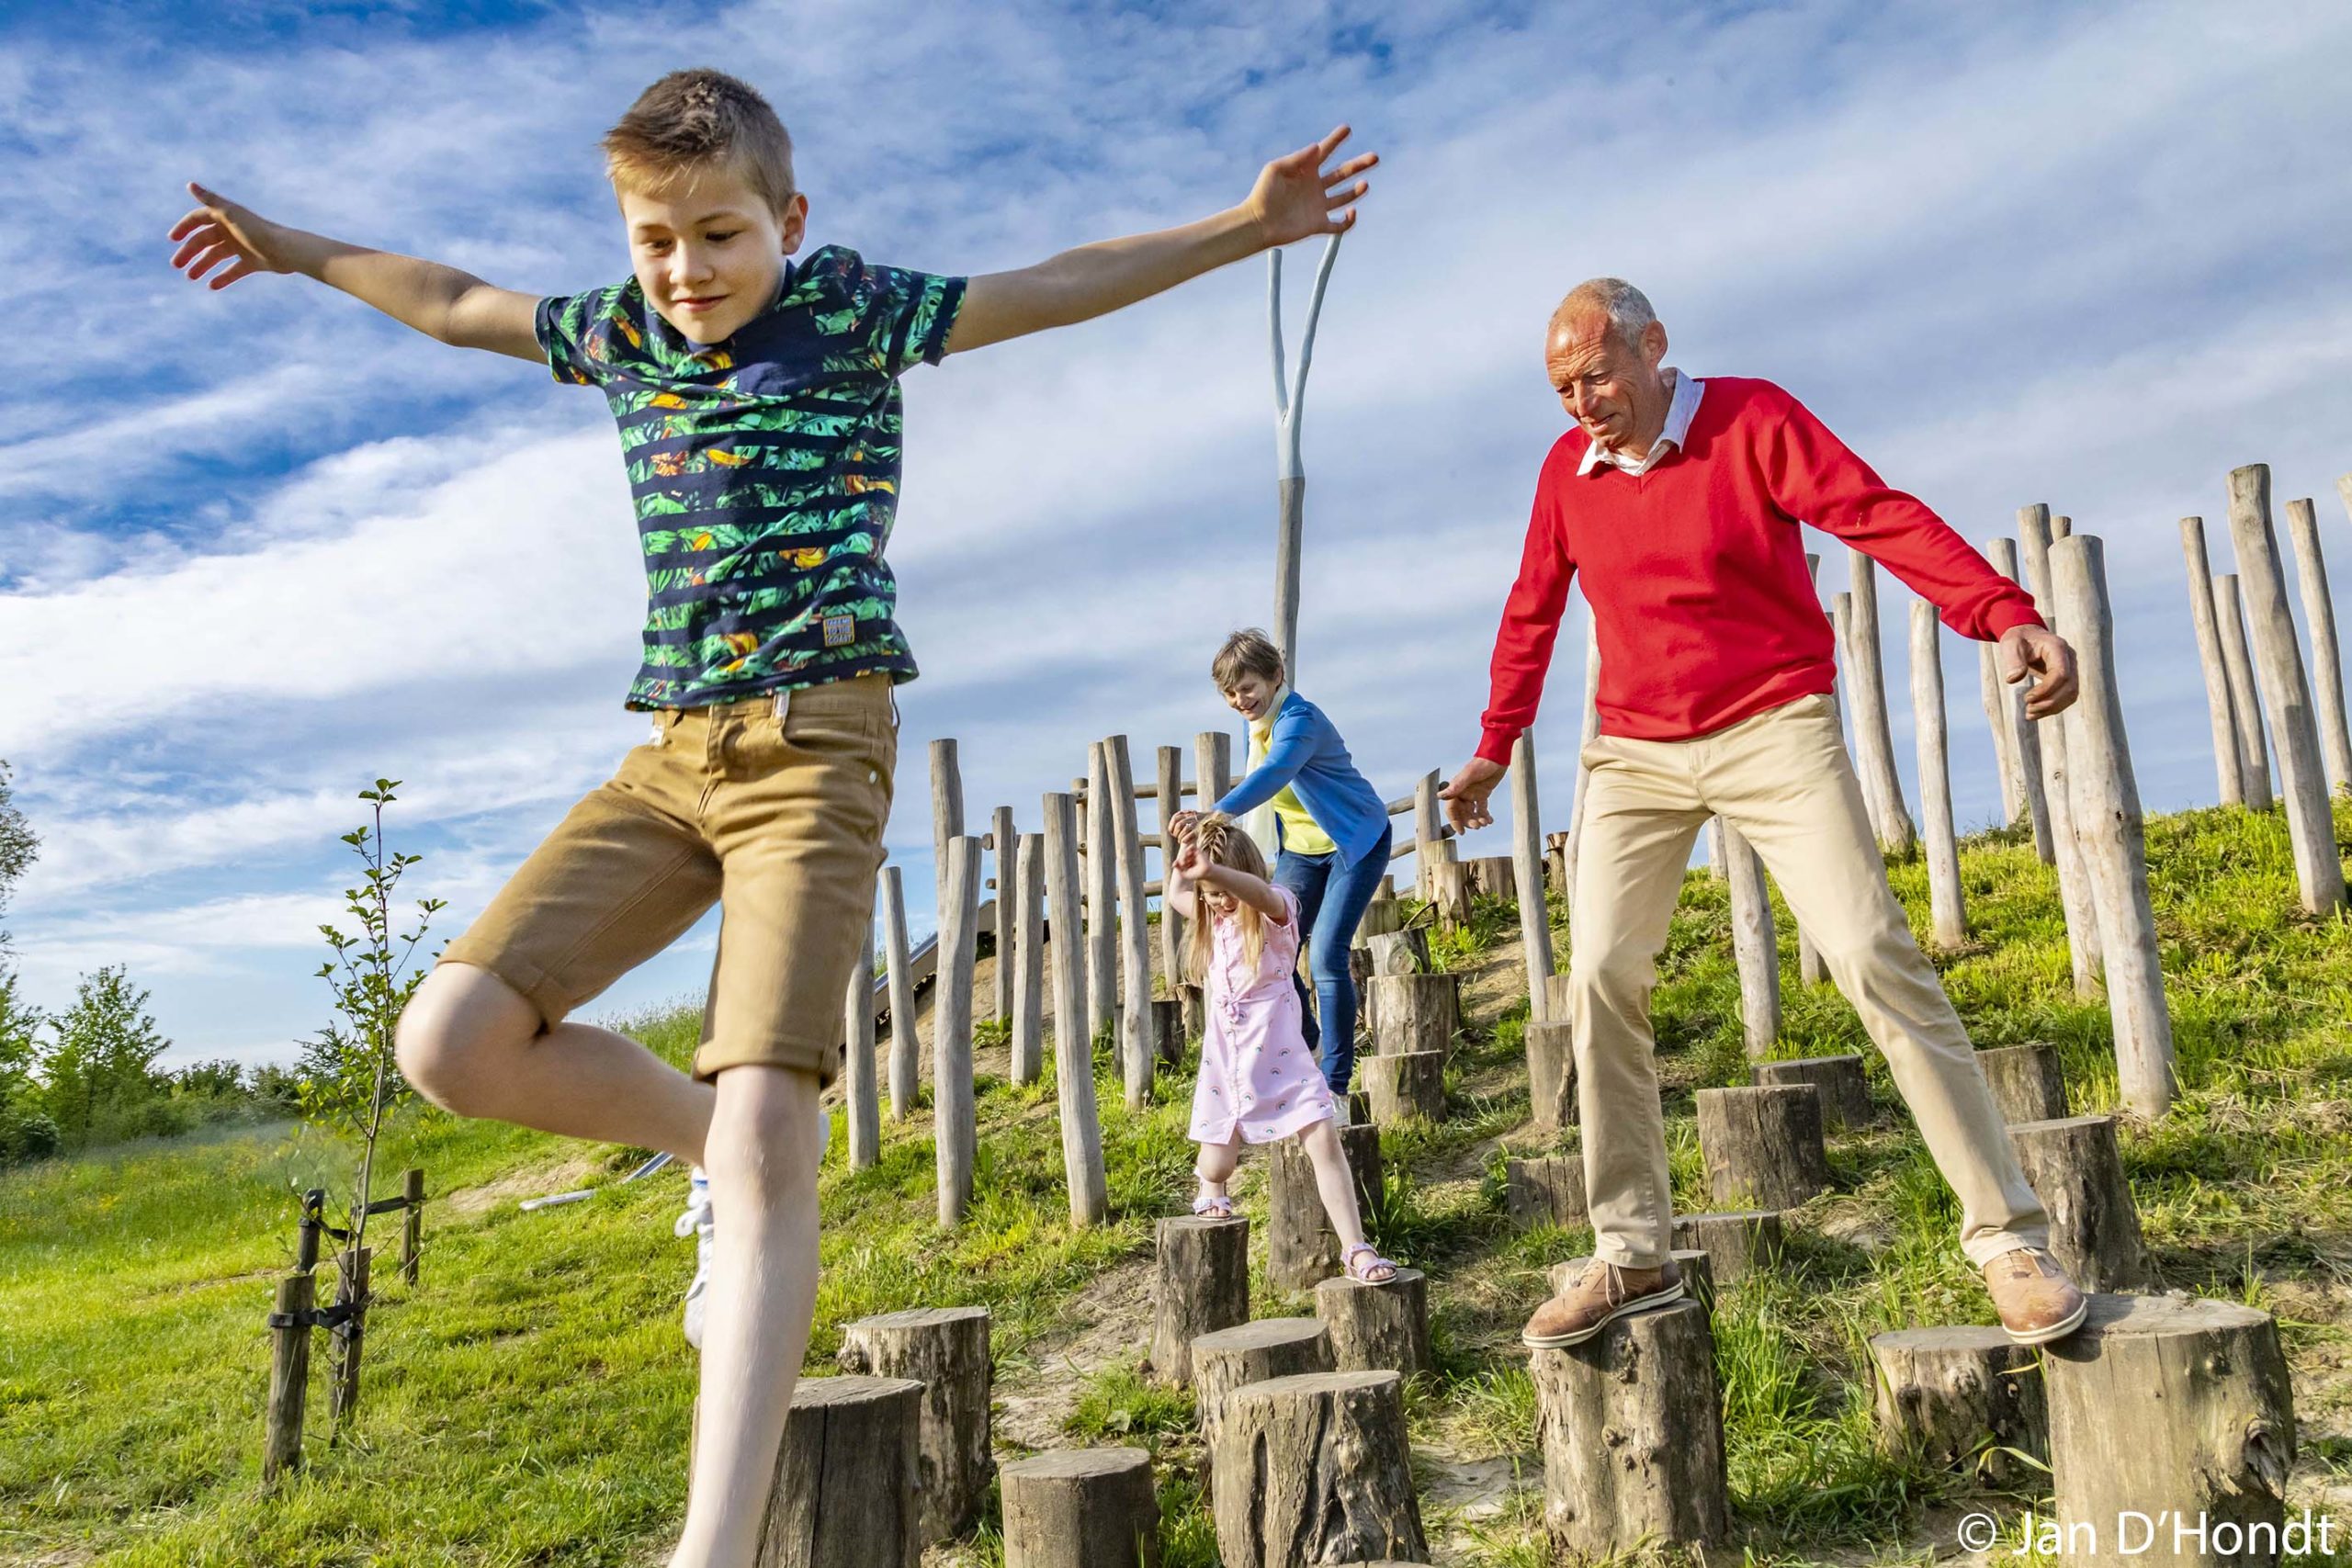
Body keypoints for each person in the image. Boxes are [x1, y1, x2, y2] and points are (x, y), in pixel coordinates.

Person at [168, 69, 1375, 1568]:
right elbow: (450, 295)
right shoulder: (617, 334)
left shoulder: (858, 313)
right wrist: (290, 246)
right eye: (658, 240)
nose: (688, 270)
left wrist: (1241, 230)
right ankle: (704, 1156)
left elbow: (1051, 286)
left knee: (769, 1134)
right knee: (448, 1044)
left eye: (721, 235)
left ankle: (714, 1547)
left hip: (820, 747)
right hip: (669, 754)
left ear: (788, 223)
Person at [1442, 278, 2088, 1351]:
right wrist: (1492, 745)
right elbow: (1531, 610)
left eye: (1597, 376)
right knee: (1598, 975)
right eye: (1562, 388)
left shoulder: (1752, 419)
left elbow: (1878, 515)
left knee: (1871, 951)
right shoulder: (1566, 474)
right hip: (1634, 754)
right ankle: (1630, 1249)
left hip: (1770, 726)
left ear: (1655, 348)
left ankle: (2008, 1239)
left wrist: (2000, 612)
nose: (1581, 404)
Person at [1170, 813, 1397, 1284]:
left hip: (1283, 1061)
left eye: (1226, 892)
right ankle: (1212, 1184)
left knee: (1325, 1142)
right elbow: (1177, 896)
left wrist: (1213, 873)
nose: (1220, 903)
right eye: (1210, 897)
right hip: (1227, 1067)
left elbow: (1259, 894)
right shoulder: (1214, 920)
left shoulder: (1277, 914)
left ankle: (1356, 1249)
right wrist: (1186, 853)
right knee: (1219, 1163)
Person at [1171, 629, 1392, 1102]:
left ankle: (1334, 1087)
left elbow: (1274, 774)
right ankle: (1308, 1042)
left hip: (1355, 842)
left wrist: (1213, 813)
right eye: (1229, 693)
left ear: (1276, 676)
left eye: (1247, 687)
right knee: (1272, 944)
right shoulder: (1258, 726)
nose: (1239, 700)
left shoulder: (1299, 720)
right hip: (1301, 851)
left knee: (1326, 956)